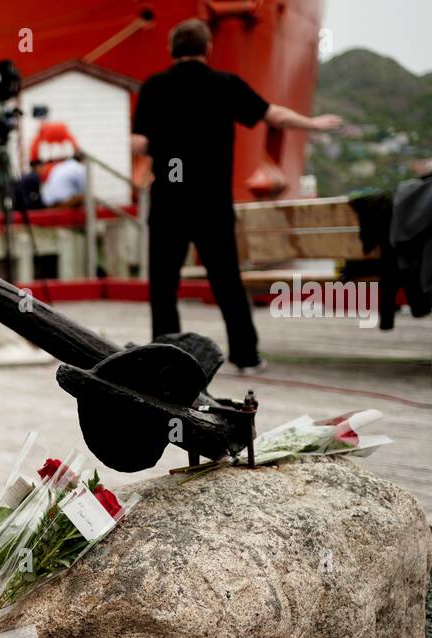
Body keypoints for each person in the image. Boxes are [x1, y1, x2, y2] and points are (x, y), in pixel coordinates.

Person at [132, 18, 341, 373]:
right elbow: (271, 114)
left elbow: (139, 143)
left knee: (163, 285)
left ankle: (164, 362)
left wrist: (164, 143)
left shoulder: (154, 87)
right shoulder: (224, 84)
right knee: (226, 280)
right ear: (207, 49)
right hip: (211, 202)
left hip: (169, 200)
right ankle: (245, 356)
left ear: (172, 50)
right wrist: (313, 124)